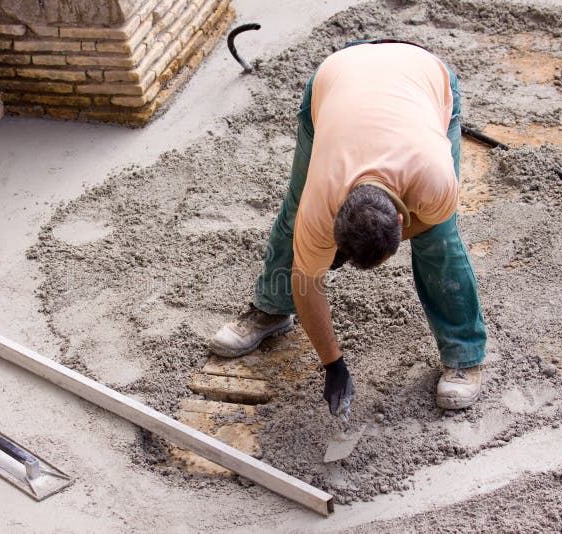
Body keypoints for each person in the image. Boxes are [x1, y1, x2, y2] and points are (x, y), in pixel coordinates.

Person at [209, 40, 487, 416]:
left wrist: (340, 250)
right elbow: (307, 284)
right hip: (337, 78)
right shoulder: (319, 203)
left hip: (425, 78)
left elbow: (431, 221)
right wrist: (333, 365)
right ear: (335, 218)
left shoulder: (434, 178)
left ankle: (464, 355)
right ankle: (272, 309)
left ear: (401, 218)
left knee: (439, 239)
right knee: (294, 215)